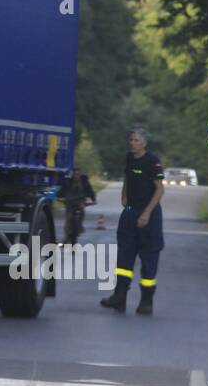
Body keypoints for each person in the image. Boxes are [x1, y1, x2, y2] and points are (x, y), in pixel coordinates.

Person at [100, 128, 165, 315]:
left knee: (149, 258)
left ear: (144, 143)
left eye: (136, 140)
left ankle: (146, 301)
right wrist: (124, 195)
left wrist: (146, 213)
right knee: (124, 255)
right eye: (131, 140)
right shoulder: (130, 158)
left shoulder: (152, 161)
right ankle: (119, 297)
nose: (132, 143)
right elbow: (127, 178)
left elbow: (160, 189)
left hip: (149, 214)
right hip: (130, 212)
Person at [61, 167, 96, 243]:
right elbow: (62, 190)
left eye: (78, 174)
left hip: (80, 201)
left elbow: (90, 190)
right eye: (75, 174)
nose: (76, 175)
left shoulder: (84, 181)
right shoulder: (68, 181)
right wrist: (60, 197)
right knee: (68, 218)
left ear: (80, 174)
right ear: (72, 175)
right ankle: (66, 236)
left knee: (82, 212)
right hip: (70, 202)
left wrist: (93, 200)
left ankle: (80, 225)